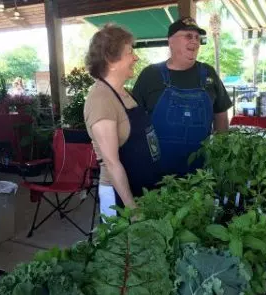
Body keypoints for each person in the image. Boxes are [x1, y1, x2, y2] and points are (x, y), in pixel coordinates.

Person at [133, 17, 231, 177]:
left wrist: (221, 154)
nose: (194, 41)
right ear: (170, 41)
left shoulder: (209, 74)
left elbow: (220, 114)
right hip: (157, 173)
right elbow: (134, 120)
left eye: (197, 37)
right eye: (188, 36)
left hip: (199, 173)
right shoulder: (150, 75)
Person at [84, 24, 161, 217]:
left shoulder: (124, 92)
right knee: (122, 246)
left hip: (143, 190)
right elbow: (111, 163)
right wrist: (132, 209)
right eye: (130, 52)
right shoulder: (101, 99)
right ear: (111, 60)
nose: (136, 57)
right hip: (121, 198)